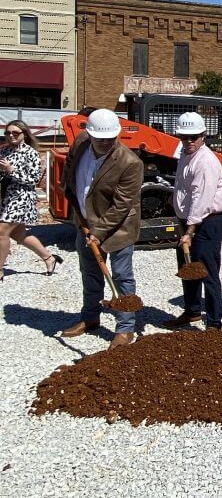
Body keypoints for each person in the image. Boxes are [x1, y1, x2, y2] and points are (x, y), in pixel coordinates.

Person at [59, 109, 142, 347]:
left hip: (118, 228)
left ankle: (125, 329)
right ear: (90, 135)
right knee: (90, 274)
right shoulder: (82, 142)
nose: (106, 143)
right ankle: (90, 318)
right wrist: (73, 204)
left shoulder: (130, 162)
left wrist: (98, 232)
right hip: (85, 223)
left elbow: (121, 205)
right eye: (101, 139)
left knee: (122, 277)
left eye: (110, 139)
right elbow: (71, 171)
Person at [163, 112, 222, 331]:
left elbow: (201, 198)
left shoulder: (205, 161)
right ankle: (192, 311)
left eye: (194, 137)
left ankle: (214, 322)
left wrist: (189, 232)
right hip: (189, 220)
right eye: (184, 137)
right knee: (187, 267)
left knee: (207, 271)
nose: (189, 141)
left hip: (206, 222)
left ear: (203, 136)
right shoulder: (185, 154)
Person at [0, 120, 62, 280]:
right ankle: (49, 258)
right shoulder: (4, 151)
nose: (11, 136)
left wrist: (12, 170)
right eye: (8, 133)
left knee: (1, 232)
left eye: (15, 133)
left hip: (21, 198)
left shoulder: (31, 153)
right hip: (6, 198)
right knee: (19, 235)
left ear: (24, 134)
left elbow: (33, 179)